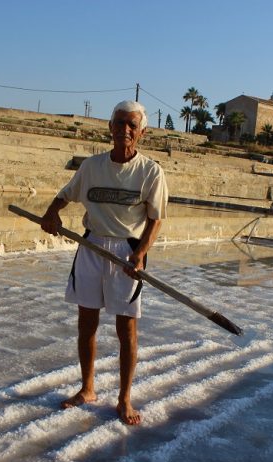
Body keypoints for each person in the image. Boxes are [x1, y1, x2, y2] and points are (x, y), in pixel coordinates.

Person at [40, 100, 168, 426]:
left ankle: (124, 398)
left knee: (126, 328)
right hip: (91, 244)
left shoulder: (151, 172)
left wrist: (140, 253)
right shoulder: (92, 167)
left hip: (127, 252)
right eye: (120, 123)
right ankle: (87, 388)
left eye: (132, 125)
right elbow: (65, 195)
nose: (125, 130)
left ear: (142, 132)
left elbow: (155, 220)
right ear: (110, 127)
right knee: (87, 322)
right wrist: (52, 213)